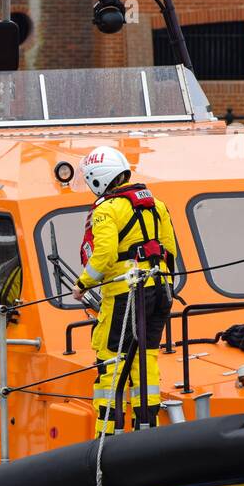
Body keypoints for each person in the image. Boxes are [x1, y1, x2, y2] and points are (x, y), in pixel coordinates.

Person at [73, 146, 177, 436]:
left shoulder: (106, 210)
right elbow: (169, 248)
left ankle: (108, 433)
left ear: (98, 179)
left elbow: (103, 255)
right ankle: (146, 428)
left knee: (111, 358)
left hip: (126, 295)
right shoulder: (157, 204)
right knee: (146, 357)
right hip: (161, 291)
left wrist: (82, 284)